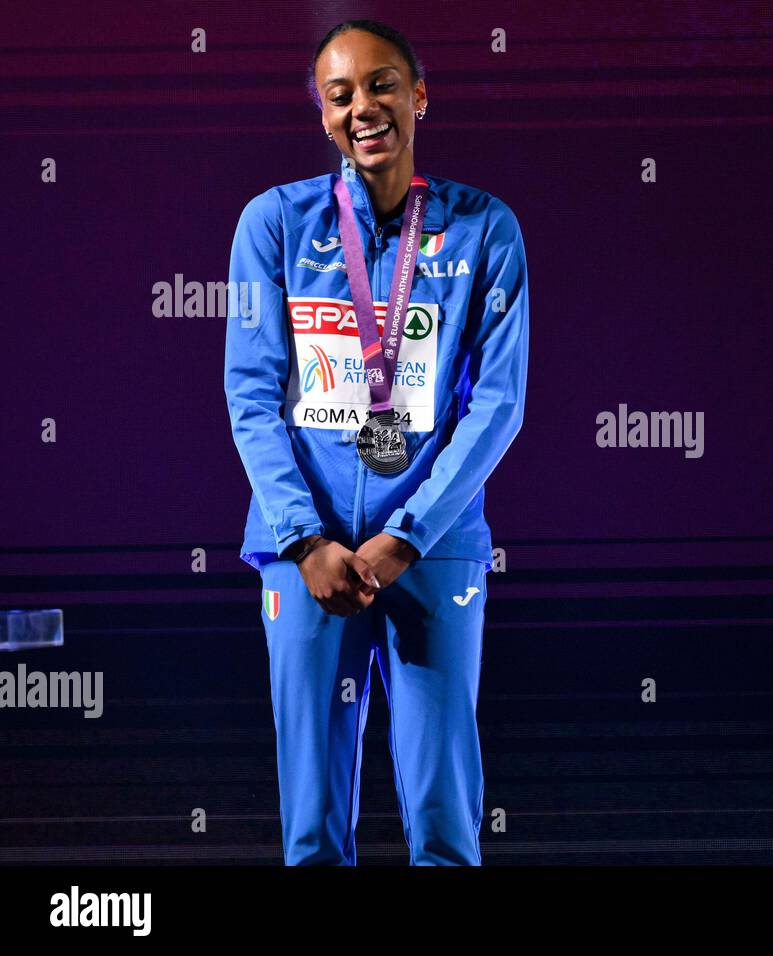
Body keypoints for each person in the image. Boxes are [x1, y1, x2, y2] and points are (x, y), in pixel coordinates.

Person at [223, 19, 528, 865]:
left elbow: (498, 404)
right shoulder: (275, 225)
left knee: (442, 817)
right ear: (323, 116)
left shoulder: (484, 229)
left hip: (432, 550)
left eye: (384, 84)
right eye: (342, 93)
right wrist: (303, 537)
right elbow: (250, 395)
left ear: (420, 94)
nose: (365, 106)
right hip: (305, 551)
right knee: (313, 824)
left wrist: (408, 535)